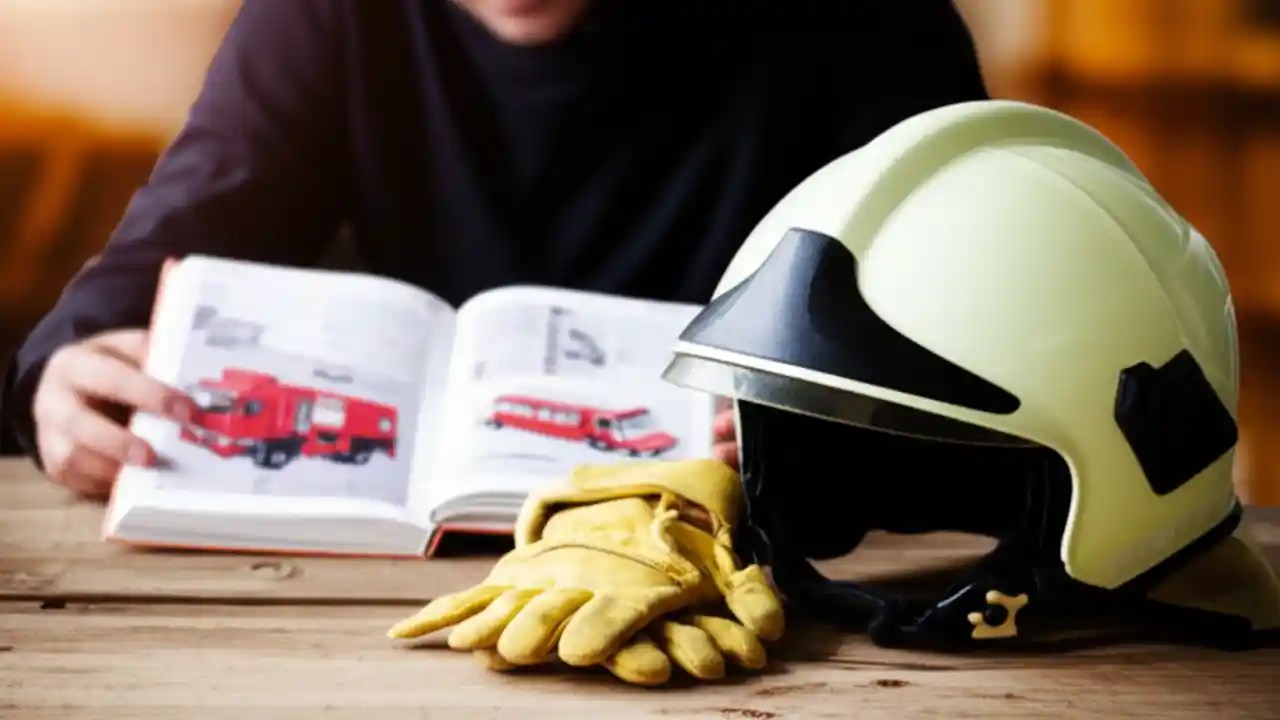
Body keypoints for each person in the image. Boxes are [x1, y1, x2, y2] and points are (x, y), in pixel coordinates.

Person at [0, 0, 988, 497]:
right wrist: (62, 370)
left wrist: (851, 438)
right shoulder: (323, 17)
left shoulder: (868, 22)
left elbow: (994, 352)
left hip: (797, 570)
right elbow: (169, 248)